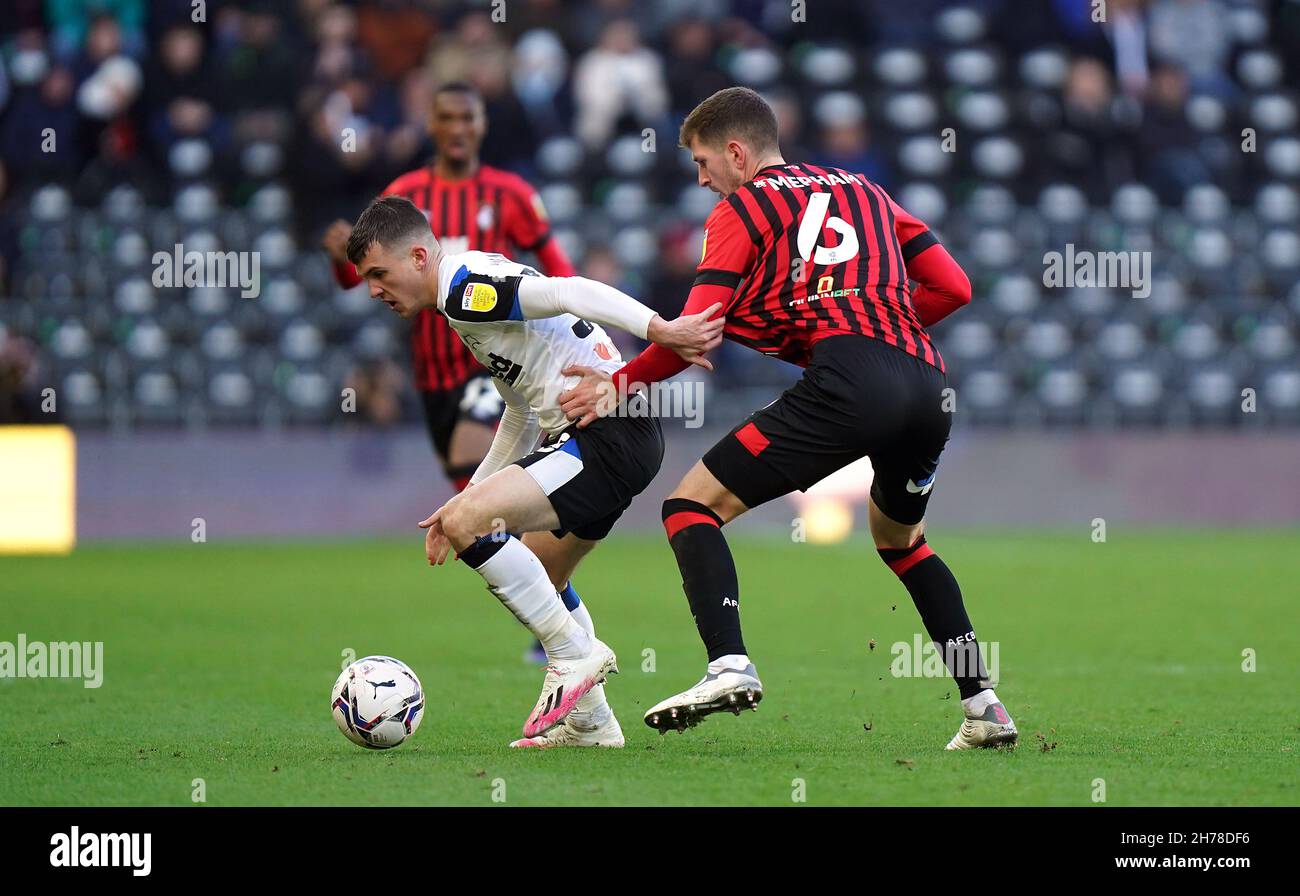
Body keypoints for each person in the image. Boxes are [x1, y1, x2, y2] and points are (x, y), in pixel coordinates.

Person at [558, 87, 1016, 750]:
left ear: (738, 154)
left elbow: (697, 328)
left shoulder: (743, 207)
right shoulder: (867, 191)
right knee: (905, 545)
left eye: (703, 160)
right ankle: (985, 707)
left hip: (851, 381)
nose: (701, 177)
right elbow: (955, 287)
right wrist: (881, 331)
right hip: (926, 383)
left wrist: (616, 385)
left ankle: (729, 665)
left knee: (689, 508)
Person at [344, 195, 723, 748]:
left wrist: (658, 329)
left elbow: (570, 289)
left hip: (605, 432)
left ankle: (575, 654)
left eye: (379, 273)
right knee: (542, 574)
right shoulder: (461, 297)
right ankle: (592, 724)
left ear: (420, 257)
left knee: (479, 529)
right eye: (365, 279)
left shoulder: (464, 287)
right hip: (615, 434)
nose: (374, 289)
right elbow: (521, 410)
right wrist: (463, 502)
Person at [322, 81, 576, 665]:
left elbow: (557, 271)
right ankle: (554, 598)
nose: (458, 128)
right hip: (433, 376)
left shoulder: (509, 193)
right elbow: (356, 279)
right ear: (431, 124)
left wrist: (578, 333)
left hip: (493, 369)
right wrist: (340, 257)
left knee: (477, 484)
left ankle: (559, 619)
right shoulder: (405, 195)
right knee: (472, 502)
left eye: (469, 117)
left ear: (481, 125)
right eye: (447, 117)